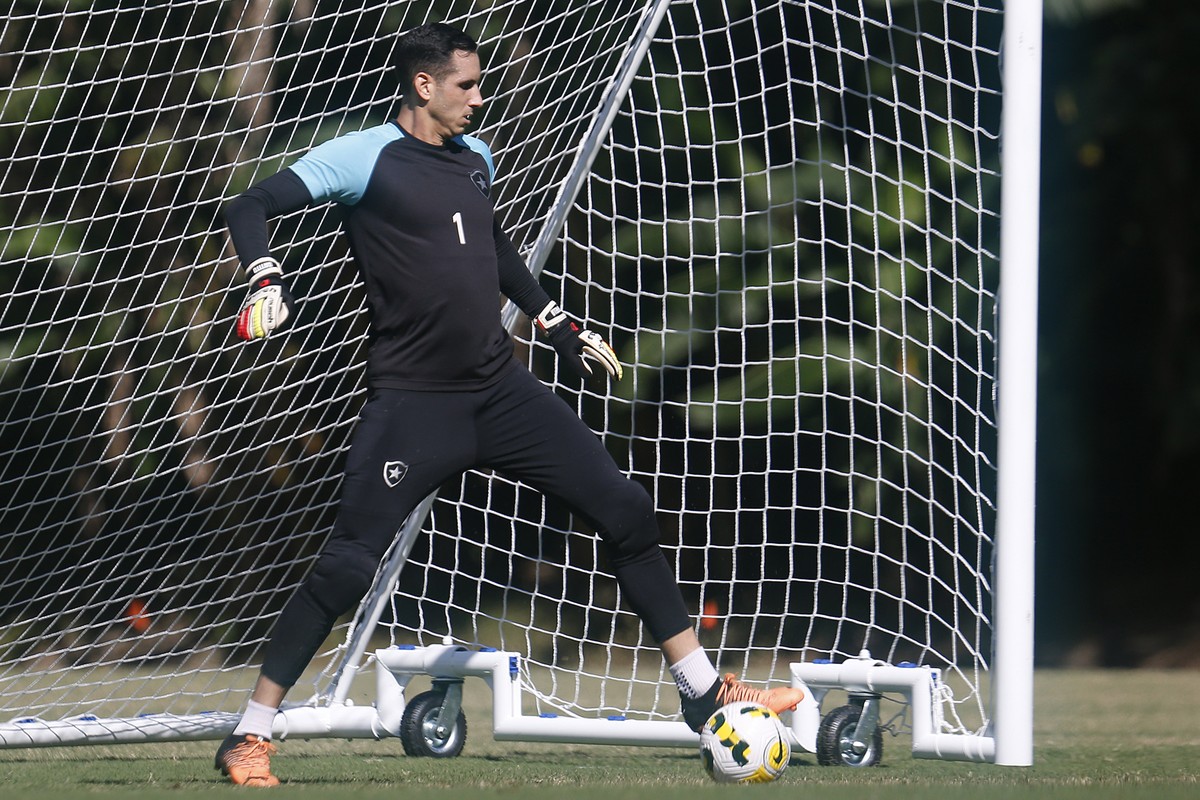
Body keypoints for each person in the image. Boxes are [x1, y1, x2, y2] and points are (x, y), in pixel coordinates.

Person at [215, 22, 803, 787]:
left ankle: (701, 691)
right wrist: (266, 278)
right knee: (346, 570)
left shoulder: (476, 160)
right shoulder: (363, 157)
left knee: (624, 509)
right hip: (413, 404)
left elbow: (493, 251)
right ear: (424, 85)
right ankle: (251, 735)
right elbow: (250, 205)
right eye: (466, 86)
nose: (478, 99)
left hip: (499, 391)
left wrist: (556, 323)